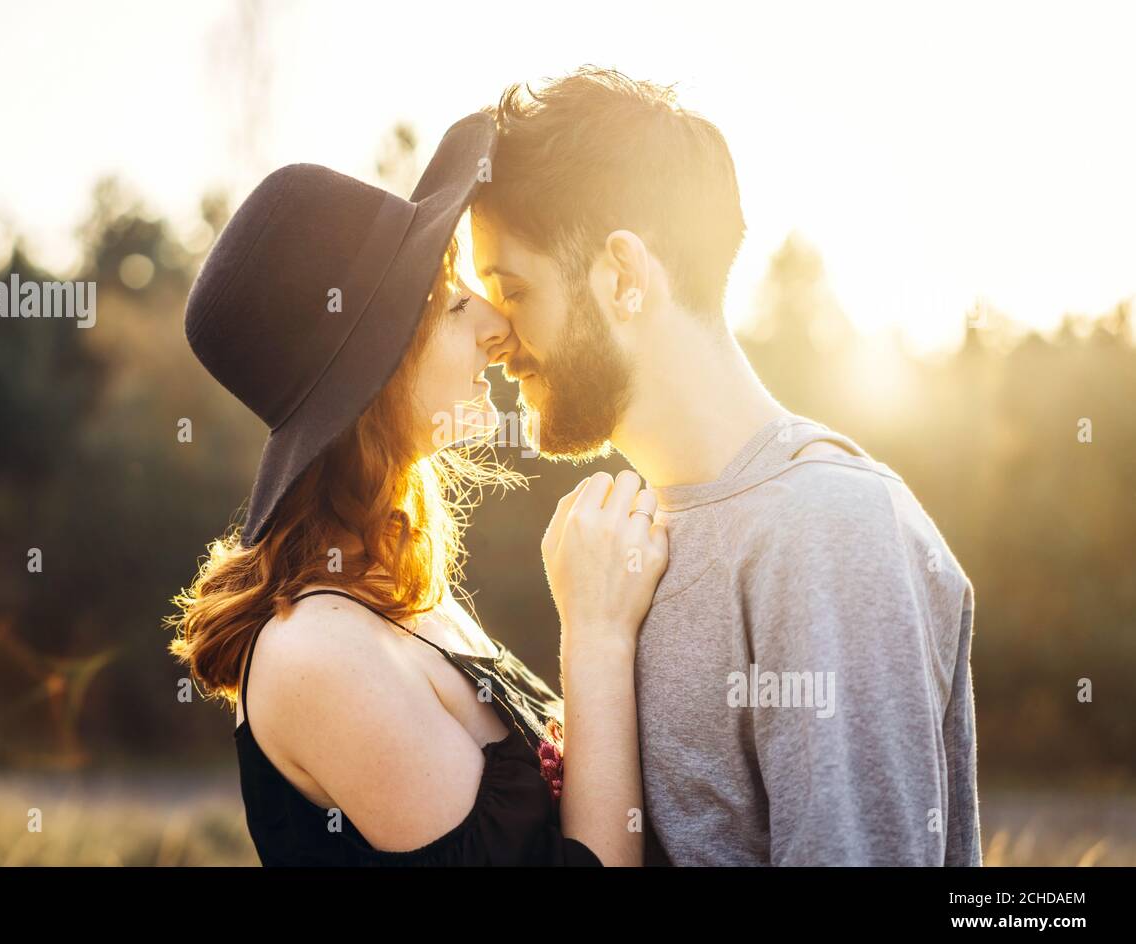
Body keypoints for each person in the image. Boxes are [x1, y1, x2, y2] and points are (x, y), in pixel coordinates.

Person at [471, 67, 981, 865]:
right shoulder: (625, 546)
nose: (497, 341)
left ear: (624, 277)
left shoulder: (829, 530)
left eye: (515, 290)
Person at [168, 113, 667, 866]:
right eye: (451, 299)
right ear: (374, 369)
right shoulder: (317, 656)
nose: (498, 322)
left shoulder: (397, 596)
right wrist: (595, 636)